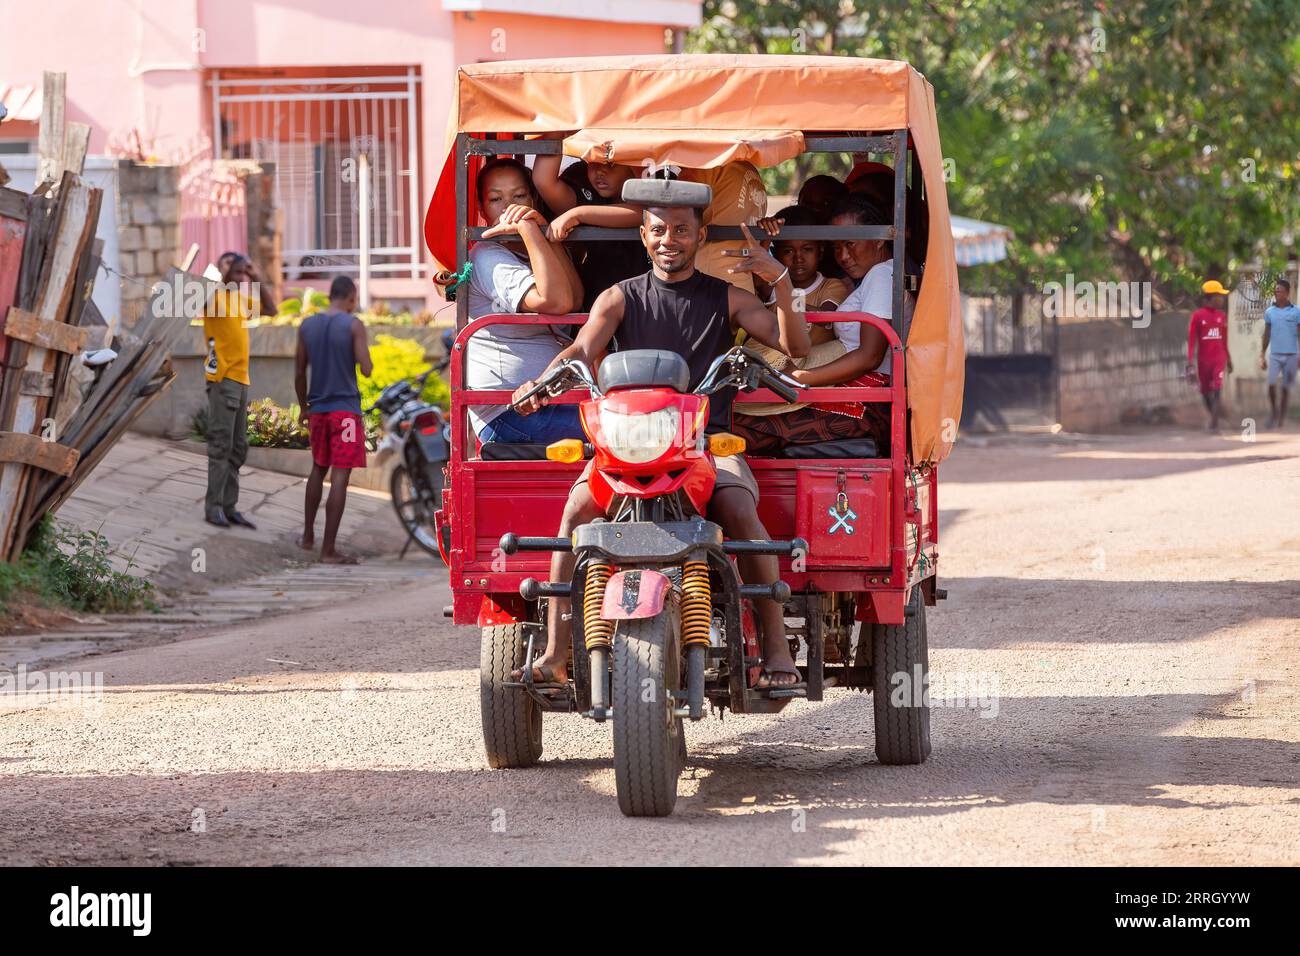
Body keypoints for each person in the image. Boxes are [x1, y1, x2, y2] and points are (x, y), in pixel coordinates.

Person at [510, 204, 812, 690]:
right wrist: (543, 381)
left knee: (739, 507)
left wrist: (780, 283)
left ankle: (775, 650)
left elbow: (793, 345)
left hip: (706, 442)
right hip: (628, 445)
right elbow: (582, 350)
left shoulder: (728, 298)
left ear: (700, 235)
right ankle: (555, 653)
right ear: (643, 236)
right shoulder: (618, 297)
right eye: (658, 230)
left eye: (681, 230)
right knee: (574, 514)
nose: (669, 238)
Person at [733, 197, 900, 455]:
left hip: (865, 398)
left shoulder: (880, 275)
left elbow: (870, 356)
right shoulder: (875, 276)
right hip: (844, 382)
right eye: (837, 247)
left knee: (743, 426)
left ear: (878, 238)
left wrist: (800, 378)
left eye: (850, 244)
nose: (843, 256)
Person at [465, 158, 585, 445]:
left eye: (519, 197)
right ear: (482, 209)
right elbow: (555, 302)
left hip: (550, 399)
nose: (508, 208)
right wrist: (528, 227)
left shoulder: (535, 248)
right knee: (621, 428)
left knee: (627, 418)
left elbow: (575, 297)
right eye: (496, 199)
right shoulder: (487, 256)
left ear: (533, 199)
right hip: (508, 412)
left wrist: (544, 234)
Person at [295, 276, 372, 564]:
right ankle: (328, 550)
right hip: (345, 412)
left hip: (318, 410)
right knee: (340, 476)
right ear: (351, 297)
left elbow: (299, 373)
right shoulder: (353, 325)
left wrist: (304, 407)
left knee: (318, 468)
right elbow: (365, 369)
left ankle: (306, 537)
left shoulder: (307, 325)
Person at [202, 254, 277, 529]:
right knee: (221, 444)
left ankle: (229, 506)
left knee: (237, 447)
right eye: (233, 268)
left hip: (241, 379)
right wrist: (224, 270)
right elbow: (201, 299)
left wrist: (256, 275)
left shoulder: (238, 299)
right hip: (222, 378)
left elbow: (271, 310)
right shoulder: (214, 297)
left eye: (240, 270)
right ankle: (213, 508)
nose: (238, 273)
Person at [531, 140, 648, 310]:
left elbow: (644, 214)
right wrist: (557, 128)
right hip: (596, 295)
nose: (600, 170)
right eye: (592, 160)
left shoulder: (651, 183)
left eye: (611, 163)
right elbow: (543, 181)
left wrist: (580, 214)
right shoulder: (582, 178)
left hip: (645, 297)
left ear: (634, 165)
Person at [1187, 280, 1233, 432]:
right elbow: (1192, 340)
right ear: (1211, 297)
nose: (1222, 299)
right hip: (1203, 360)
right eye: (1219, 296)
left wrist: (1229, 358)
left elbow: (1224, 340)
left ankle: (1214, 423)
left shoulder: (1222, 316)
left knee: (1218, 387)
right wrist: (1190, 362)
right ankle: (1214, 417)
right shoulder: (1198, 316)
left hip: (1219, 359)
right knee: (1205, 392)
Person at [1261, 278, 1299, 429]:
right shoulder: (1270, 312)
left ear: (1287, 293)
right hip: (1275, 354)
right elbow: (1266, 334)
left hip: (1292, 355)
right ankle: (1274, 412)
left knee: (1285, 387)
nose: (1277, 294)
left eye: (1280, 291)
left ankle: (1281, 417)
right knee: (1271, 384)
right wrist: (1261, 354)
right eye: (1276, 291)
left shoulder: (1296, 311)